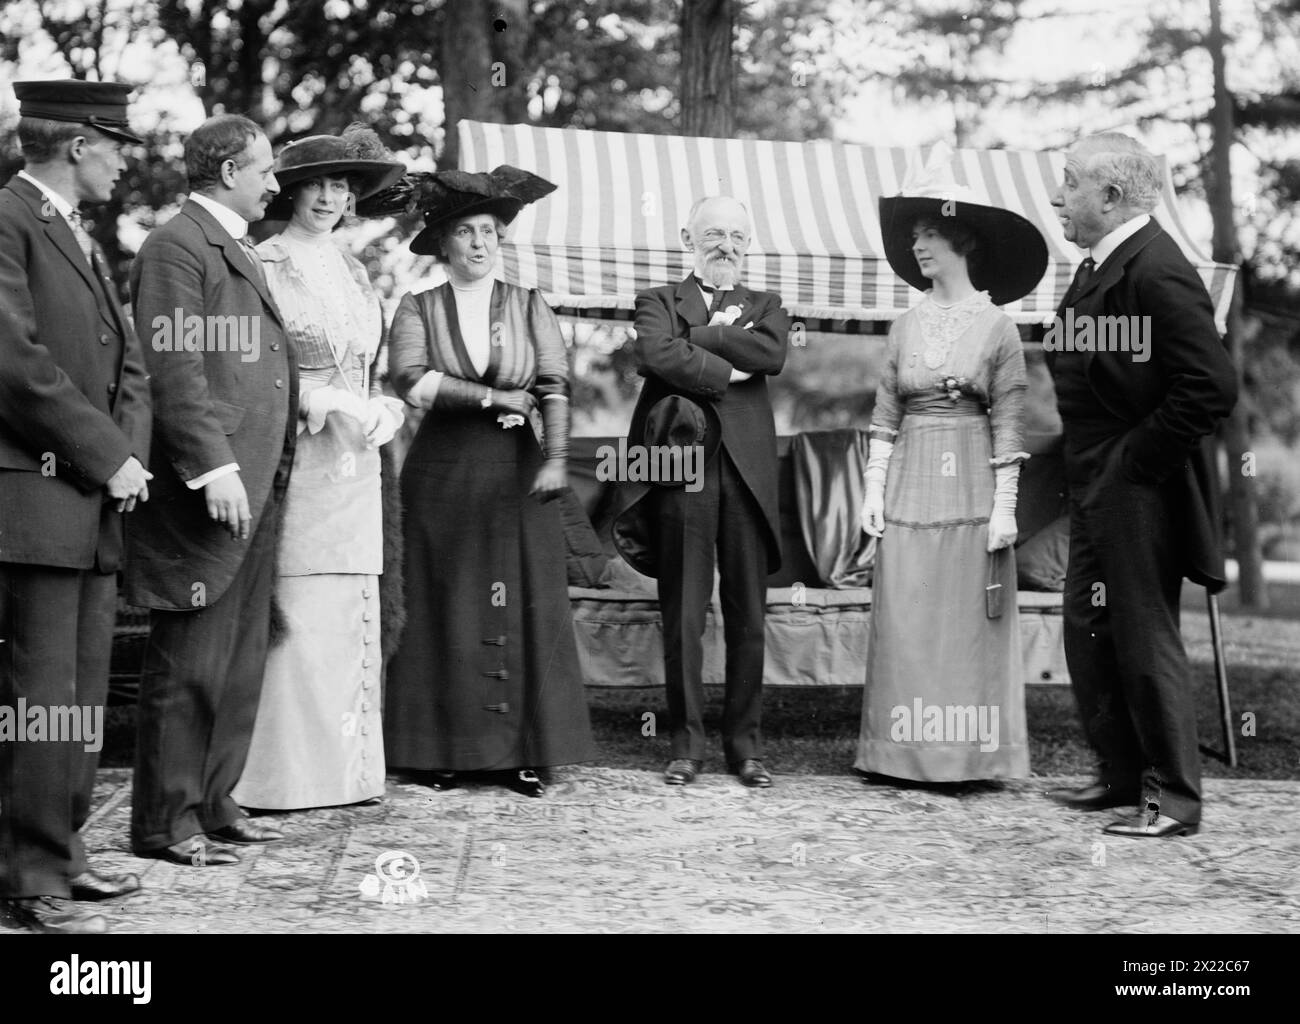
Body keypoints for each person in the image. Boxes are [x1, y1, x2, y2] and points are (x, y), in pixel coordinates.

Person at [1045, 132, 1237, 838]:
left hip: (1135, 486)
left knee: (1143, 636)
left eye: (1067, 183)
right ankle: (1121, 778)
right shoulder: (1102, 264)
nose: (1057, 197)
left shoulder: (1155, 267)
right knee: (1091, 632)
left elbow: (1212, 385)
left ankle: (1172, 801)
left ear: (1111, 195)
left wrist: (1134, 463)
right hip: (1093, 480)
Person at [382, 165, 595, 797]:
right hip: (443, 473)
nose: (480, 243)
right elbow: (410, 380)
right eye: (466, 232)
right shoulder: (417, 306)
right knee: (446, 604)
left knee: (526, 601)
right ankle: (443, 751)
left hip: (518, 472)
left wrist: (556, 458)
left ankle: (524, 753)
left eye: (490, 232)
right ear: (442, 242)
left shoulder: (530, 305)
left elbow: (555, 384)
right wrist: (488, 396)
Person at [0, 80, 151, 934]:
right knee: (39, 692)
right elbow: (13, 363)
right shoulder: (10, 217)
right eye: (117, 144)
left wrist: (123, 458)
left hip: (88, 497)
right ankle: (28, 879)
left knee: (80, 692)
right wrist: (108, 456)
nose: (125, 160)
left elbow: (125, 363)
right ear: (79, 144)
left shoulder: (75, 232)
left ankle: (61, 851)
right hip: (38, 496)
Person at [126, 114, 297, 865]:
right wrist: (214, 467)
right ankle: (166, 821)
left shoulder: (233, 246)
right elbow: (174, 369)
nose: (276, 183)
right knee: (190, 657)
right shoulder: (176, 245)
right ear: (228, 170)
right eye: (265, 169)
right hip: (217, 484)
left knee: (239, 655)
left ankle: (215, 799)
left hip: (258, 479)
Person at [229, 126, 406, 811]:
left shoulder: (356, 271)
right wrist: (317, 395)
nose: (331, 197)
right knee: (297, 609)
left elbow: (365, 362)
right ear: (291, 190)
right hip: (295, 453)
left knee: (350, 608)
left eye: (343, 186)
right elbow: (252, 368)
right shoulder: (265, 262)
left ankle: (347, 775)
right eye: (318, 185)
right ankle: (280, 778)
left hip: (358, 459)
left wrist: (379, 405)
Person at [855, 165, 1048, 784]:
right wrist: (872, 490)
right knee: (907, 613)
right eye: (912, 235)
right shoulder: (904, 326)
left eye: (927, 232)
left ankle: (967, 757)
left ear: (961, 240)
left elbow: (1010, 424)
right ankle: (898, 754)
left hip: (972, 487)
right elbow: (884, 415)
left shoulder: (998, 328)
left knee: (965, 620)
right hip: (910, 480)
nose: (917, 245)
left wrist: (1005, 508)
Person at [612, 195, 790, 788]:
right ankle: (685, 746)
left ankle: (746, 749)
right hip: (679, 466)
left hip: (746, 473)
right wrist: (726, 358)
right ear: (687, 237)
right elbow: (653, 352)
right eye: (714, 233)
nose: (727, 246)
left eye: (738, 236)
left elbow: (772, 354)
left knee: (748, 616)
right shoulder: (657, 300)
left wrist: (701, 340)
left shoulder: (767, 305)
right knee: (683, 612)